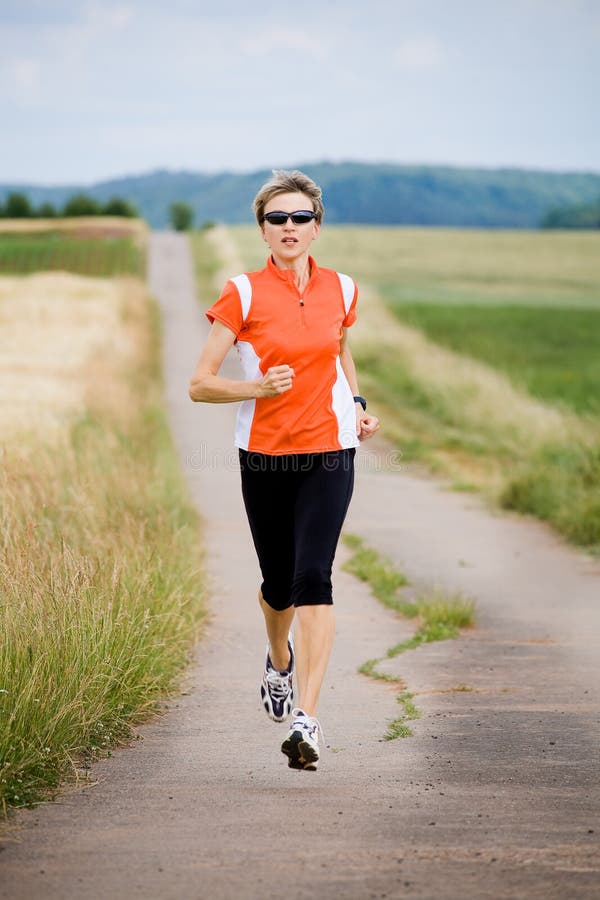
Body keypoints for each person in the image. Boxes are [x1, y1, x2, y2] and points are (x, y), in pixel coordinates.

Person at [189, 169, 379, 771]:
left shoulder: (343, 289)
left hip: (330, 449)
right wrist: (259, 388)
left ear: (317, 228)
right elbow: (199, 385)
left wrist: (357, 404)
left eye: (301, 218)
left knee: (314, 576)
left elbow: (339, 349)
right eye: (278, 219)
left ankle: (308, 718)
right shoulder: (241, 293)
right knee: (277, 584)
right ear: (263, 230)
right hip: (265, 456)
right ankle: (278, 661)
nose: (290, 227)